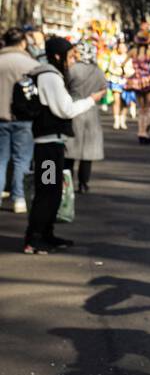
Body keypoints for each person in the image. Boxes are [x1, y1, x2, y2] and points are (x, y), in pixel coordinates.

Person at [18, 37, 105, 253]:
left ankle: (46, 234)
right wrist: (91, 100)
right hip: (47, 146)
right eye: (71, 55)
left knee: (53, 191)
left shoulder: (47, 74)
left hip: (52, 143)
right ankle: (34, 238)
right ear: (58, 56)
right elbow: (65, 109)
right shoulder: (50, 76)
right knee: (47, 192)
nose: (73, 60)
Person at [0, 27, 37, 214]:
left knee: (1, 158)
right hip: (24, 118)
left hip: (1, 116)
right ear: (22, 42)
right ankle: (19, 197)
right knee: (22, 159)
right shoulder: (30, 64)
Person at [64, 40, 109, 194]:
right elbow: (104, 88)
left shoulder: (72, 69)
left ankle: (67, 183)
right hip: (91, 111)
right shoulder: (98, 71)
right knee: (87, 152)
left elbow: (65, 86)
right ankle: (84, 183)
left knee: (69, 151)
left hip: (74, 108)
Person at [123, 38, 150, 144]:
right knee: (148, 107)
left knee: (141, 108)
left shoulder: (132, 52)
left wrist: (125, 73)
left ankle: (140, 131)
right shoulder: (149, 53)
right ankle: (145, 132)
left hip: (136, 80)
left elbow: (123, 64)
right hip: (148, 80)